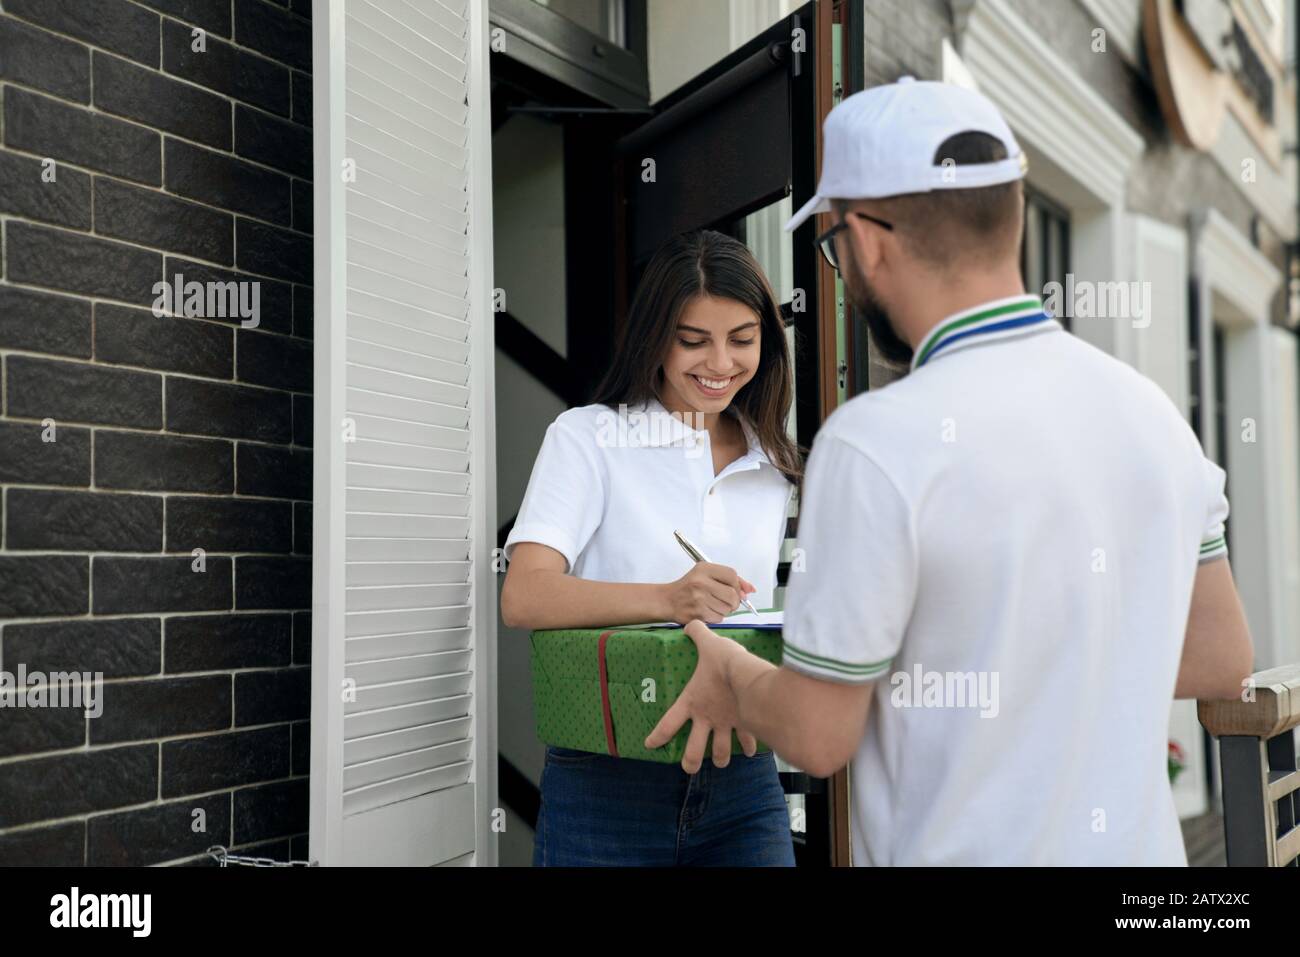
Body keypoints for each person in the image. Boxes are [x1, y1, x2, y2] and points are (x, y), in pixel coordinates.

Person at [646, 78, 1255, 865]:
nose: (842, 270)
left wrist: (730, 671)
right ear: (1011, 217)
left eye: (833, 247)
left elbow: (817, 734)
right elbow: (1221, 657)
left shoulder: (874, 442)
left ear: (868, 241)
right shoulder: (1156, 416)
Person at [501, 229, 802, 866]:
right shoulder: (588, 437)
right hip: (608, 780)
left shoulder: (772, 461)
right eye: (693, 340)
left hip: (745, 774)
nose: (720, 363)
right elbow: (524, 595)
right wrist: (670, 599)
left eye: (742, 339)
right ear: (655, 337)